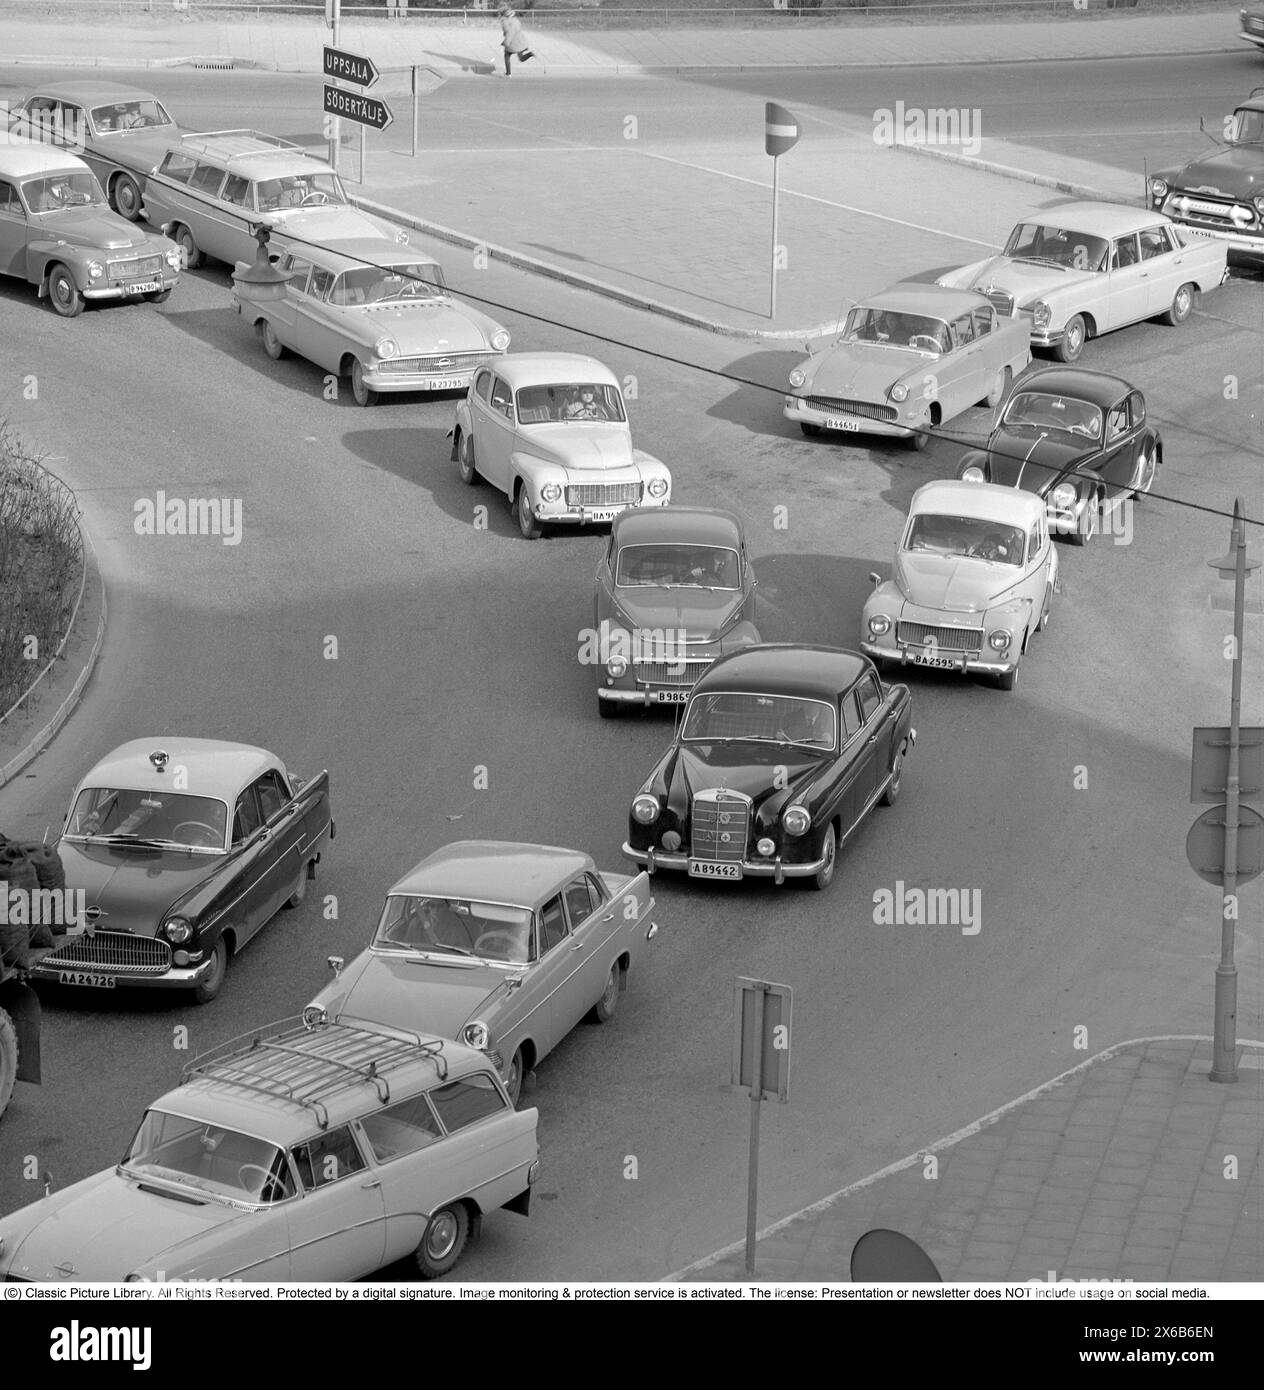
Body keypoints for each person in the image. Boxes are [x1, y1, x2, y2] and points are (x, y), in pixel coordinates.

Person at [498, 3, 536, 76]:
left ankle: (508, 74)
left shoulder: (505, 22)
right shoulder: (515, 20)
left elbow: (510, 33)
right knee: (521, 58)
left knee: (507, 55)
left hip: (512, 42)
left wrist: (506, 42)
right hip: (520, 41)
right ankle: (530, 54)